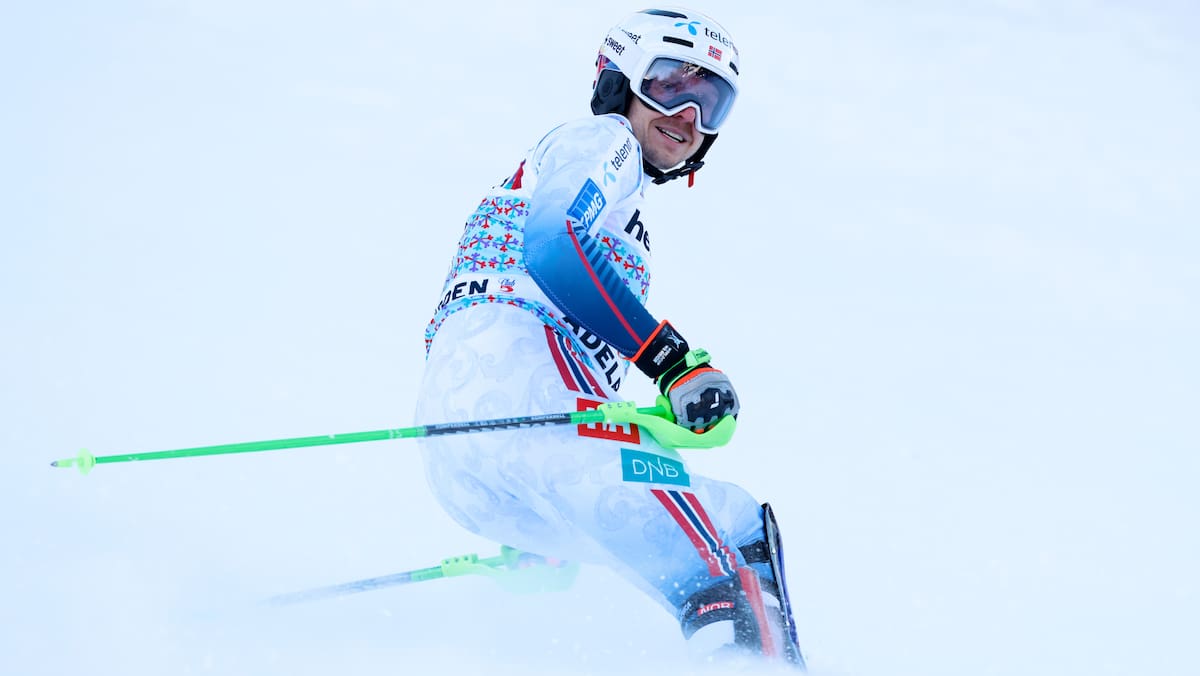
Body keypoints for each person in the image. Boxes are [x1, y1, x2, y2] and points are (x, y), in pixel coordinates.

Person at [415, 8, 805, 669]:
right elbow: (554, 246)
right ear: (619, 79)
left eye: (712, 103)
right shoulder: (602, 143)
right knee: (733, 536)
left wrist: (553, 518)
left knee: (681, 532)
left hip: (460, 452)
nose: (688, 117)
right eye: (670, 85)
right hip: (526, 388)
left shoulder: (608, 198)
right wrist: (673, 363)